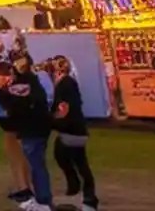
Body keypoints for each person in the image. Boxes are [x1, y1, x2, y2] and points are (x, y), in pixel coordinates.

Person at [0, 54, 53, 211]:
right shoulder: (32, 80)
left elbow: (15, 104)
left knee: (35, 165)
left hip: (31, 128)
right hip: (37, 127)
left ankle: (43, 200)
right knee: (35, 163)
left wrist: (1, 90)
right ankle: (39, 197)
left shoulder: (25, 83)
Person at [49, 56, 97, 211]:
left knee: (66, 157)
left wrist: (51, 122)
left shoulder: (64, 84)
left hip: (71, 130)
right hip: (76, 129)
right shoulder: (69, 83)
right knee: (78, 161)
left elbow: (63, 110)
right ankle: (83, 192)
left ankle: (79, 189)